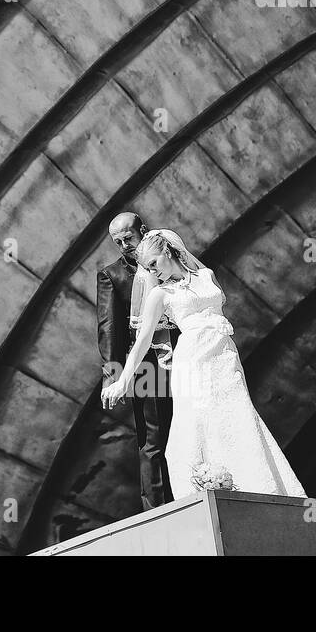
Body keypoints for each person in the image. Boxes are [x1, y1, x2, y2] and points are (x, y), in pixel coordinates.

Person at [101, 230, 305, 498]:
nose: (152, 273)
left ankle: (257, 485)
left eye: (153, 264)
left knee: (237, 415)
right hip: (193, 360)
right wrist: (123, 381)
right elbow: (142, 341)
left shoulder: (206, 276)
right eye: (147, 269)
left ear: (168, 251)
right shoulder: (160, 295)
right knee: (199, 420)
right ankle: (206, 486)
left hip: (224, 356)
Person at [95, 213, 178, 509]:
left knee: (186, 424)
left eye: (128, 238)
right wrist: (113, 376)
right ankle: (156, 509)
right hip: (143, 366)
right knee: (152, 438)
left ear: (142, 230)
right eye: (117, 242)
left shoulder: (170, 257)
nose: (124, 246)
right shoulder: (111, 275)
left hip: (181, 356)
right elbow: (109, 329)